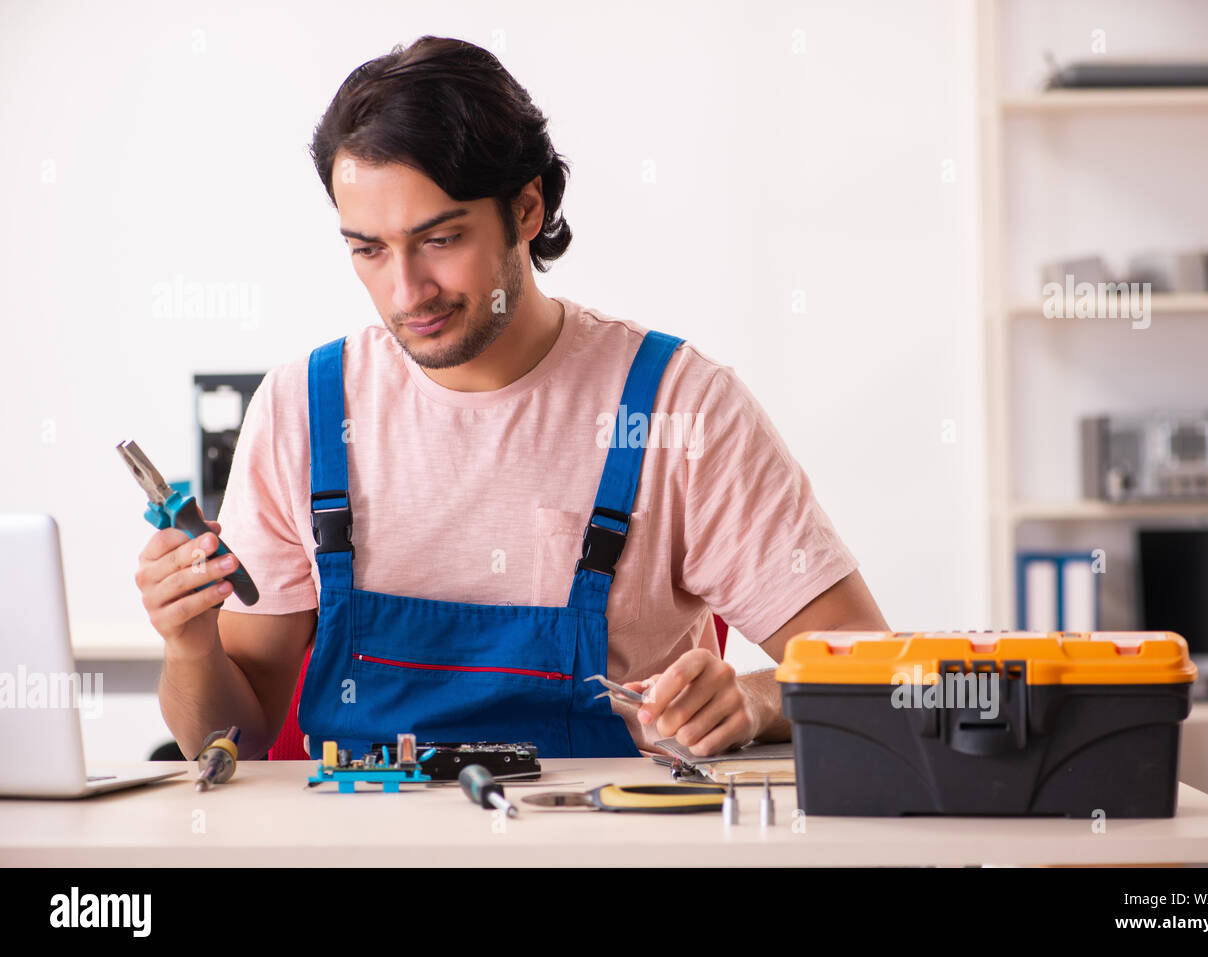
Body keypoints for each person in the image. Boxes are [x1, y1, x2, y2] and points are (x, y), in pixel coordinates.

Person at [135, 35, 887, 762]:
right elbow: (235, 737)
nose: (405, 292)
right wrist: (190, 643)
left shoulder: (676, 406)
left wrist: (757, 699)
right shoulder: (302, 409)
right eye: (368, 249)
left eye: (439, 239)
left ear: (526, 210)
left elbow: (874, 666)